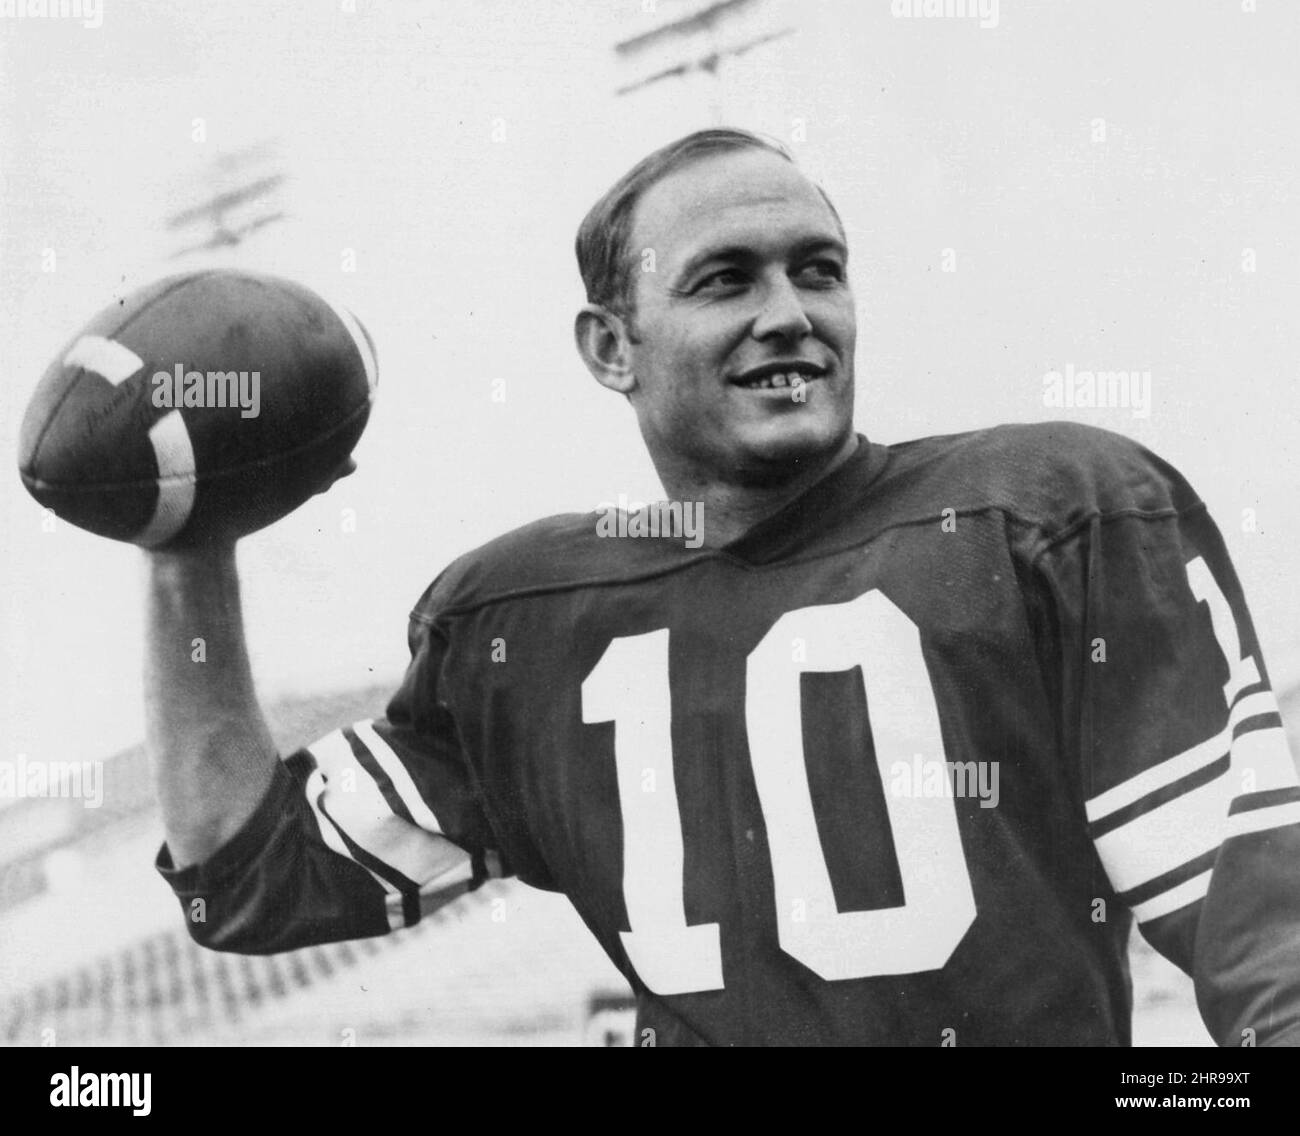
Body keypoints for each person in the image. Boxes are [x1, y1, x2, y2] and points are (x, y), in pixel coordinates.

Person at [147, 128, 1300, 1046]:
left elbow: (1268, 943)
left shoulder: (1053, 511)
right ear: (612, 349)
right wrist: (186, 549)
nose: (789, 313)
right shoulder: (521, 620)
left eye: (818, 270)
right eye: (724, 281)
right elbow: (251, 877)